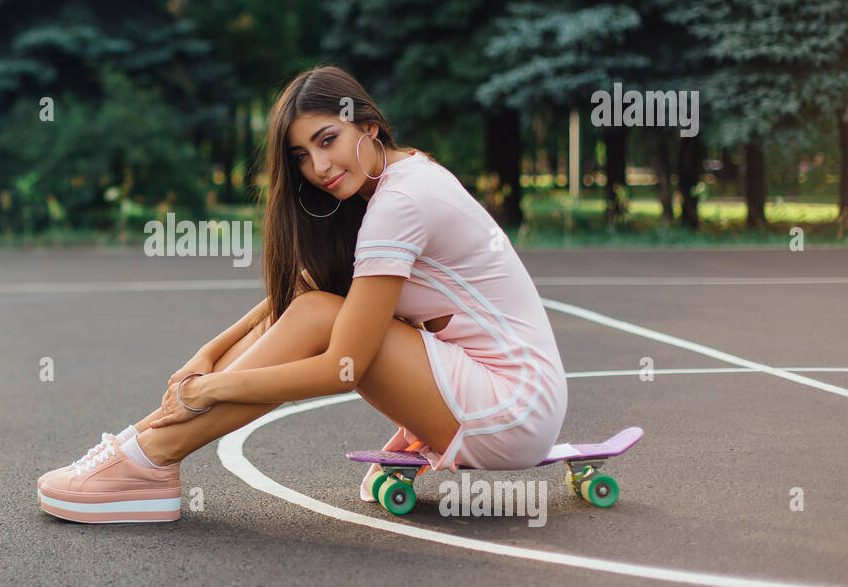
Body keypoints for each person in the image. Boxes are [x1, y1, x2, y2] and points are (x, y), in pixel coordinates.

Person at [36, 65, 568, 524]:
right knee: (307, 310)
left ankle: (150, 456)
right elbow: (298, 294)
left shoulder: (400, 204)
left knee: (316, 319)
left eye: (327, 139)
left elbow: (341, 366)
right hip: (507, 399)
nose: (317, 167)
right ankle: (143, 449)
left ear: (369, 125)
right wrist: (209, 354)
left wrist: (213, 389)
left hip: (512, 409)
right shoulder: (399, 176)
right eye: (300, 155)